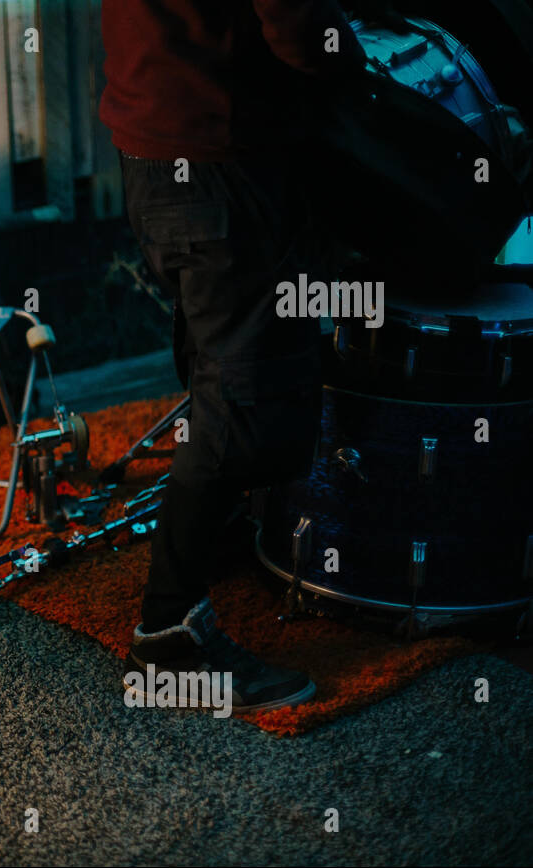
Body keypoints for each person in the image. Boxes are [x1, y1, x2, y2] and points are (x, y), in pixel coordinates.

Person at [99, 1, 368, 712]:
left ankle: (210, 542)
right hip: (219, 155)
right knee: (241, 401)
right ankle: (168, 636)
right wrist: (352, 56)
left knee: (215, 360)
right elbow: (295, 25)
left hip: (152, 147)